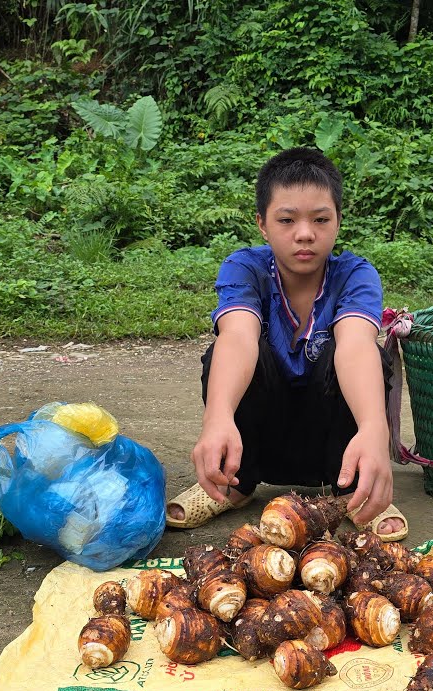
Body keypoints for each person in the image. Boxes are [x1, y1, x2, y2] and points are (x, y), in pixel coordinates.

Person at [164, 147, 407, 541]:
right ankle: (235, 483)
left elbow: (356, 346)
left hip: (333, 446)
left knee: (366, 357)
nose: (305, 233)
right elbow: (238, 336)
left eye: (320, 219)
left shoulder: (355, 275)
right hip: (259, 438)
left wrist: (375, 430)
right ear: (262, 224)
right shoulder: (245, 268)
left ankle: (355, 488)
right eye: (287, 219)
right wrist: (217, 417)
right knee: (229, 350)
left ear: (339, 221)